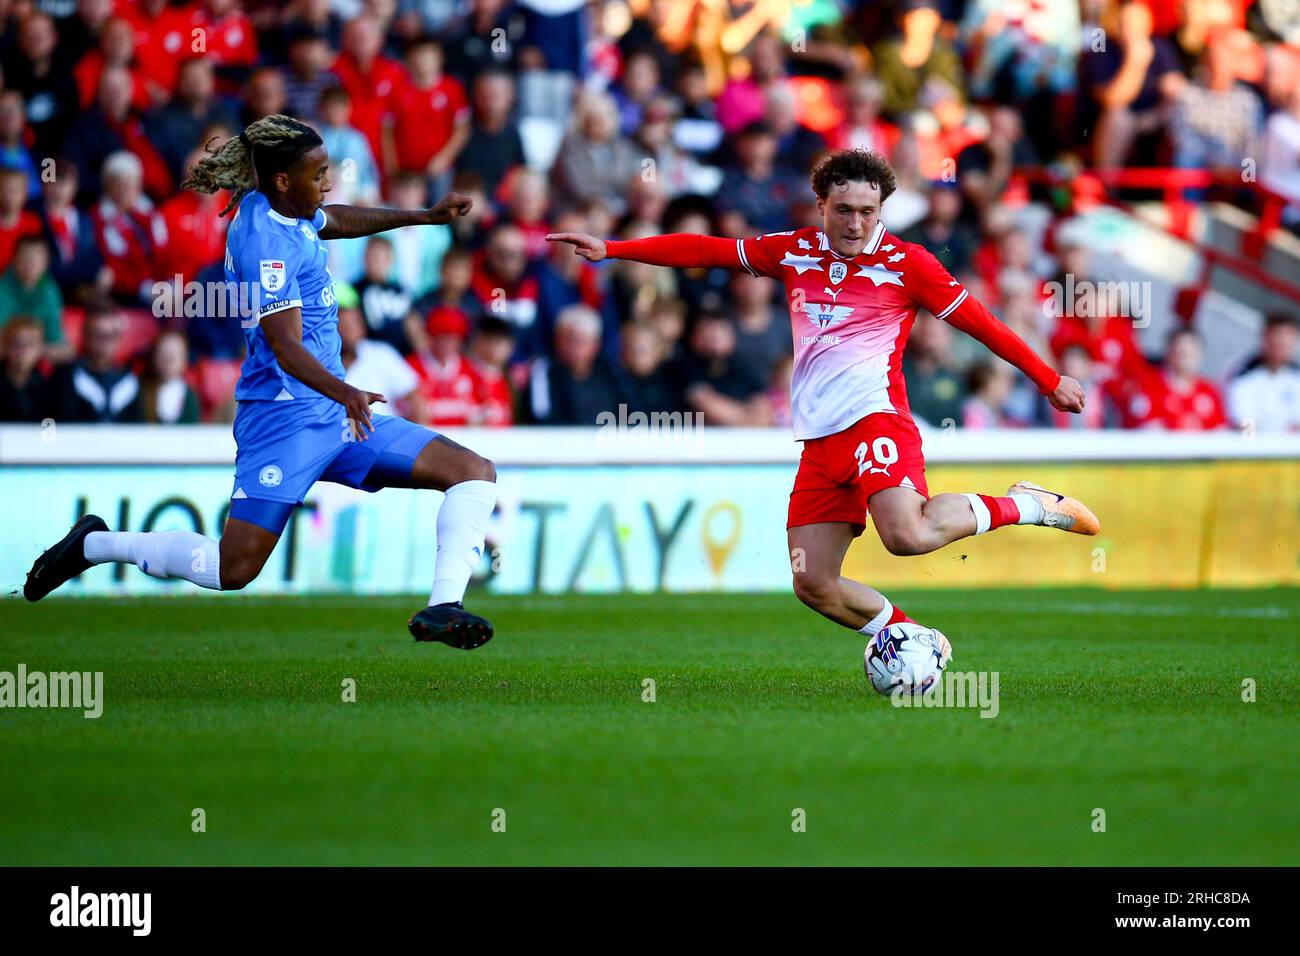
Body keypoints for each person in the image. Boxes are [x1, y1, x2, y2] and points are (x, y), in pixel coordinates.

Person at [547, 147, 1096, 653]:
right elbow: (707, 250)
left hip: (875, 421)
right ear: (821, 206)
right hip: (819, 442)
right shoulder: (793, 252)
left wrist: (1048, 379)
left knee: (906, 535)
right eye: (843, 209)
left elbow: (982, 324)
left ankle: (1025, 505)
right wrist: (614, 249)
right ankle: (907, 636)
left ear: (882, 210)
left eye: (867, 210)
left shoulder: (909, 265)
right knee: (813, 583)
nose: (855, 222)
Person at [24, 115, 497, 652]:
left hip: (335, 414)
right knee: (234, 568)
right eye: (318, 174)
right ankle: (95, 545)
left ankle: (442, 608)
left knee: (473, 472)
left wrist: (421, 216)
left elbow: (331, 220)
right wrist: (347, 393)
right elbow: (285, 346)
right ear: (281, 180)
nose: (327, 183)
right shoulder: (263, 245)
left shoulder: (281, 208)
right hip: (284, 420)